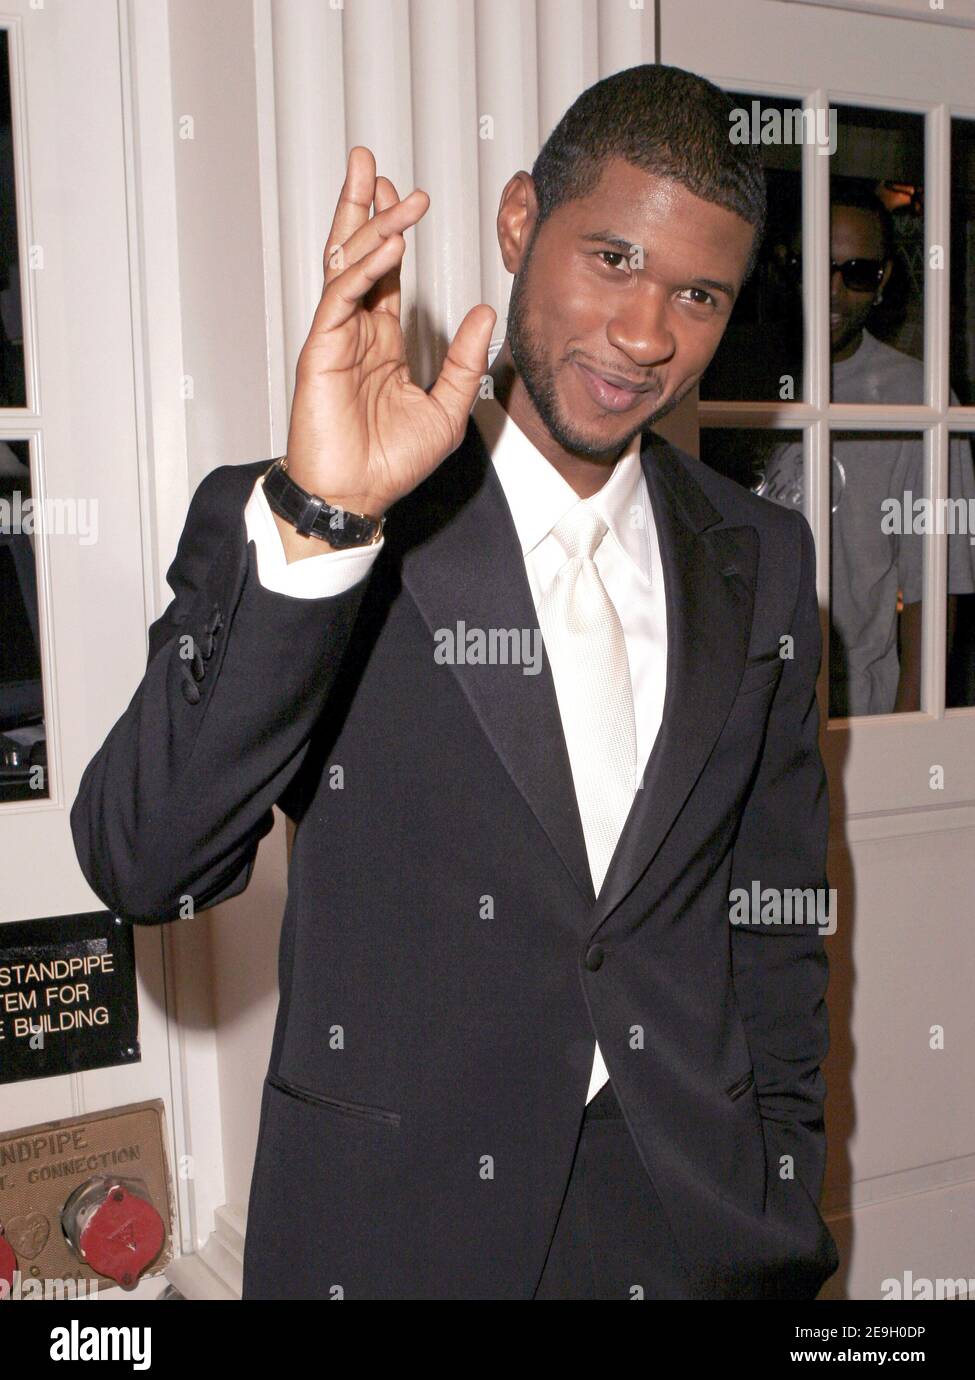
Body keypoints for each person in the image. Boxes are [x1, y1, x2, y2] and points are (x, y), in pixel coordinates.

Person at [70, 64, 839, 1300]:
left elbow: (779, 913)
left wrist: (781, 1203)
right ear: (520, 222)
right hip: (395, 1239)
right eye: (612, 260)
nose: (647, 336)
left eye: (698, 293)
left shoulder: (763, 555)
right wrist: (325, 524)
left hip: (685, 1229)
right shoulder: (333, 524)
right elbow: (142, 860)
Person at [757, 187, 975, 716]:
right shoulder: (725, 377)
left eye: (856, 273)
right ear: (787, 263)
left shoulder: (917, 399)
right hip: (730, 711)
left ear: (883, 282)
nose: (832, 291)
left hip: (854, 717)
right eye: (815, 265)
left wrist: (907, 738)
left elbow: (932, 591)